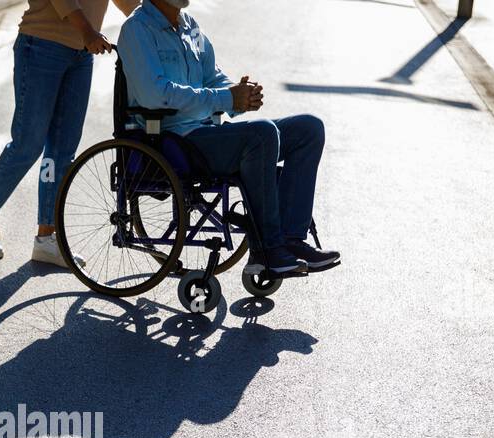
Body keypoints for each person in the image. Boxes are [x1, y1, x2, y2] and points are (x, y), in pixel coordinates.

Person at [116, 0, 340, 279]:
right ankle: (269, 248)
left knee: (309, 129)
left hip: (207, 132)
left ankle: (292, 240)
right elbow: (154, 95)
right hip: (172, 139)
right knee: (262, 134)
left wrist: (239, 96)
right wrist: (225, 98)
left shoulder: (189, 26)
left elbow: (214, 78)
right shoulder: (137, 30)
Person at [0, 0, 139, 267]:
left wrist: (154, 19)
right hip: (42, 44)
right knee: (28, 143)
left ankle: (47, 238)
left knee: (62, 150)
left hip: (81, 53)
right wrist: (87, 30)